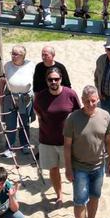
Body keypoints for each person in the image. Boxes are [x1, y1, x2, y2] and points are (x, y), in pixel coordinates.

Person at [64, 85, 110, 218]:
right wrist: (68, 168)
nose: (90, 104)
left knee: (95, 196)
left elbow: (109, 139)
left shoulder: (105, 115)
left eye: (93, 101)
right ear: (82, 100)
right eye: (87, 101)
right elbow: (67, 145)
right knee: (80, 200)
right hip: (79, 167)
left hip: (99, 165)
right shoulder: (73, 118)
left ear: (98, 100)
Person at [33, 66, 79, 205]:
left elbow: (78, 114)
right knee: (53, 169)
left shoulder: (70, 94)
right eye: (50, 79)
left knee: (73, 169)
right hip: (47, 140)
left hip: (68, 141)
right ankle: (59, 195)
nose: (53, 82)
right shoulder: (40, 97)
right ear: (46, 81)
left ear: (61, 79)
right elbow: (38, 113)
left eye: (56, 79)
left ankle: (78, 195)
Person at [2, 44, 35, 155]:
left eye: (16, 54)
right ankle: (9, 147)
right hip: (10, 97)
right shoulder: (7, 65)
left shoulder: (31, 65)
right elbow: (2, 81)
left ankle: (25, 145)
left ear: (23, 55)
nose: (13, 56)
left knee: (24, 123)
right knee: (10, 124)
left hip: (25, 98)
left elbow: (35, 81)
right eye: (12, 53)